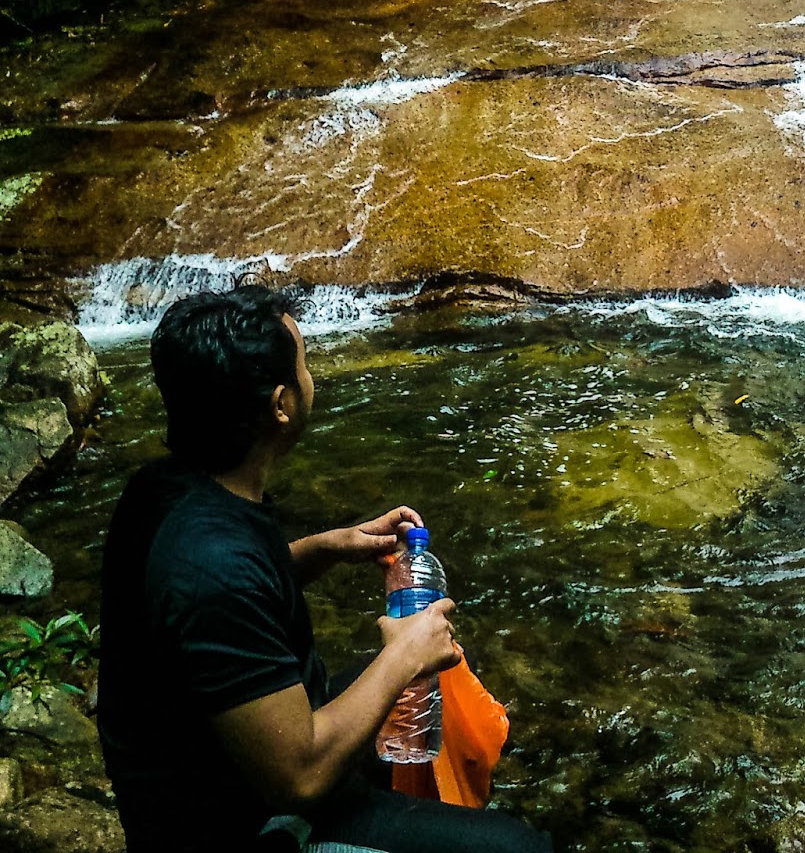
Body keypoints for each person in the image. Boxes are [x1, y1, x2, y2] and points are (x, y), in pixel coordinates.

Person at [98, 285, 550, 853]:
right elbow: (300, 780)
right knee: (520, 850)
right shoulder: (214, 567)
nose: (313, 377)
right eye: (306, 365)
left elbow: (221, 605)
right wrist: (402, 653)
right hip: (240, 826)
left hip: (219, 764)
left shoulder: (167, 491)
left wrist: (326, 548)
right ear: (281, 405)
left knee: (404, 696)